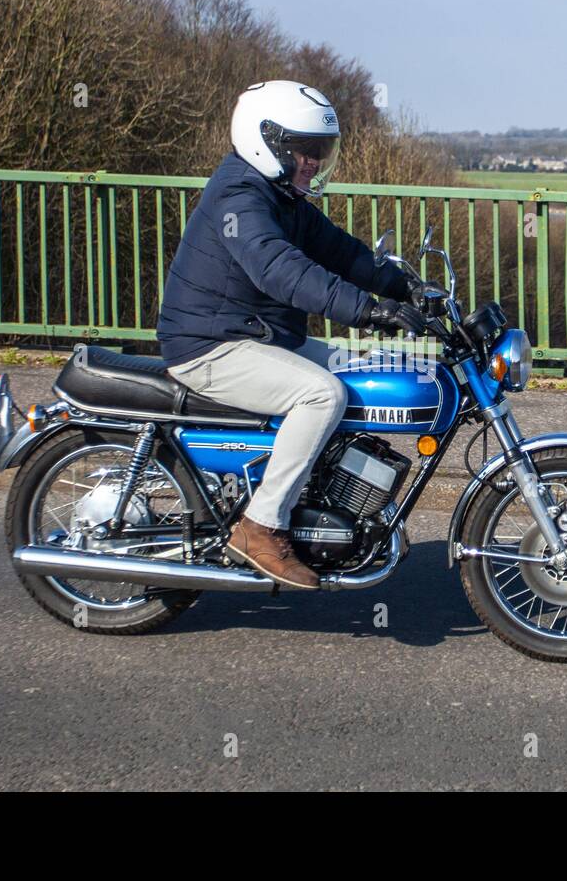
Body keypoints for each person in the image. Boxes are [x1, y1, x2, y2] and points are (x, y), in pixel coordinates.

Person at [156, 80, 425, 590]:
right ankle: (261, 527)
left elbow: (341, 253)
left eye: (319, 152)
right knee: (322, 394)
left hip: (256, 336)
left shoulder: (283, 196)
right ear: (268, 142)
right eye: (303, 150)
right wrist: (369, 311)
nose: (313, 162)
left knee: (361, 367)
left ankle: (341, 508)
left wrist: (406, 287)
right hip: (210, 346)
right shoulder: (240, 195)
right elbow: (280, 270)